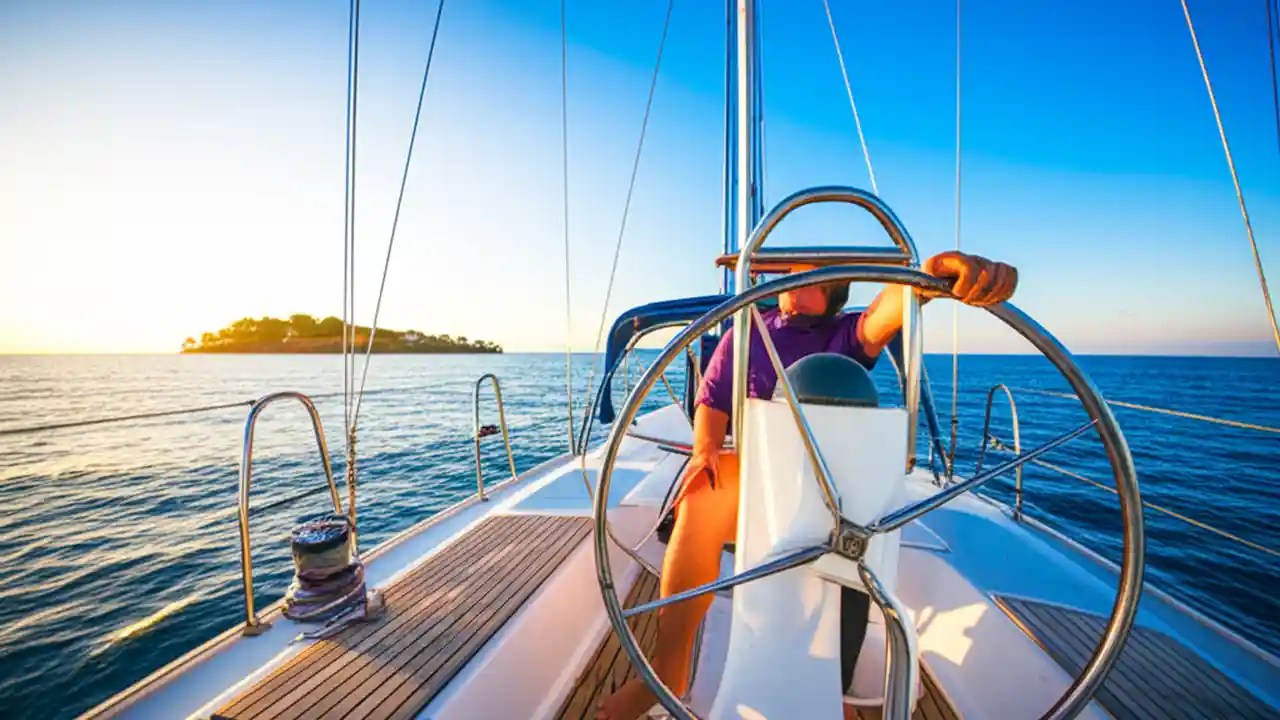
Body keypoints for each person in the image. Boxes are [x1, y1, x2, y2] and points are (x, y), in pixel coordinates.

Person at [596, 250, 1019, 720]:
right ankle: (665, 674)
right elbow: (713, 400)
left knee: (858, 528)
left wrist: (928, 278)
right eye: (794, 277)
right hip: (760, 478)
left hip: (833, 487)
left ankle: (834, 687)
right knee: (701, 493)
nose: (799, 286)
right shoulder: (746, 331)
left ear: (835, 295)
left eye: (815, 281)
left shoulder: (846, 336)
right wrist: (705, 450)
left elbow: (886, 312)